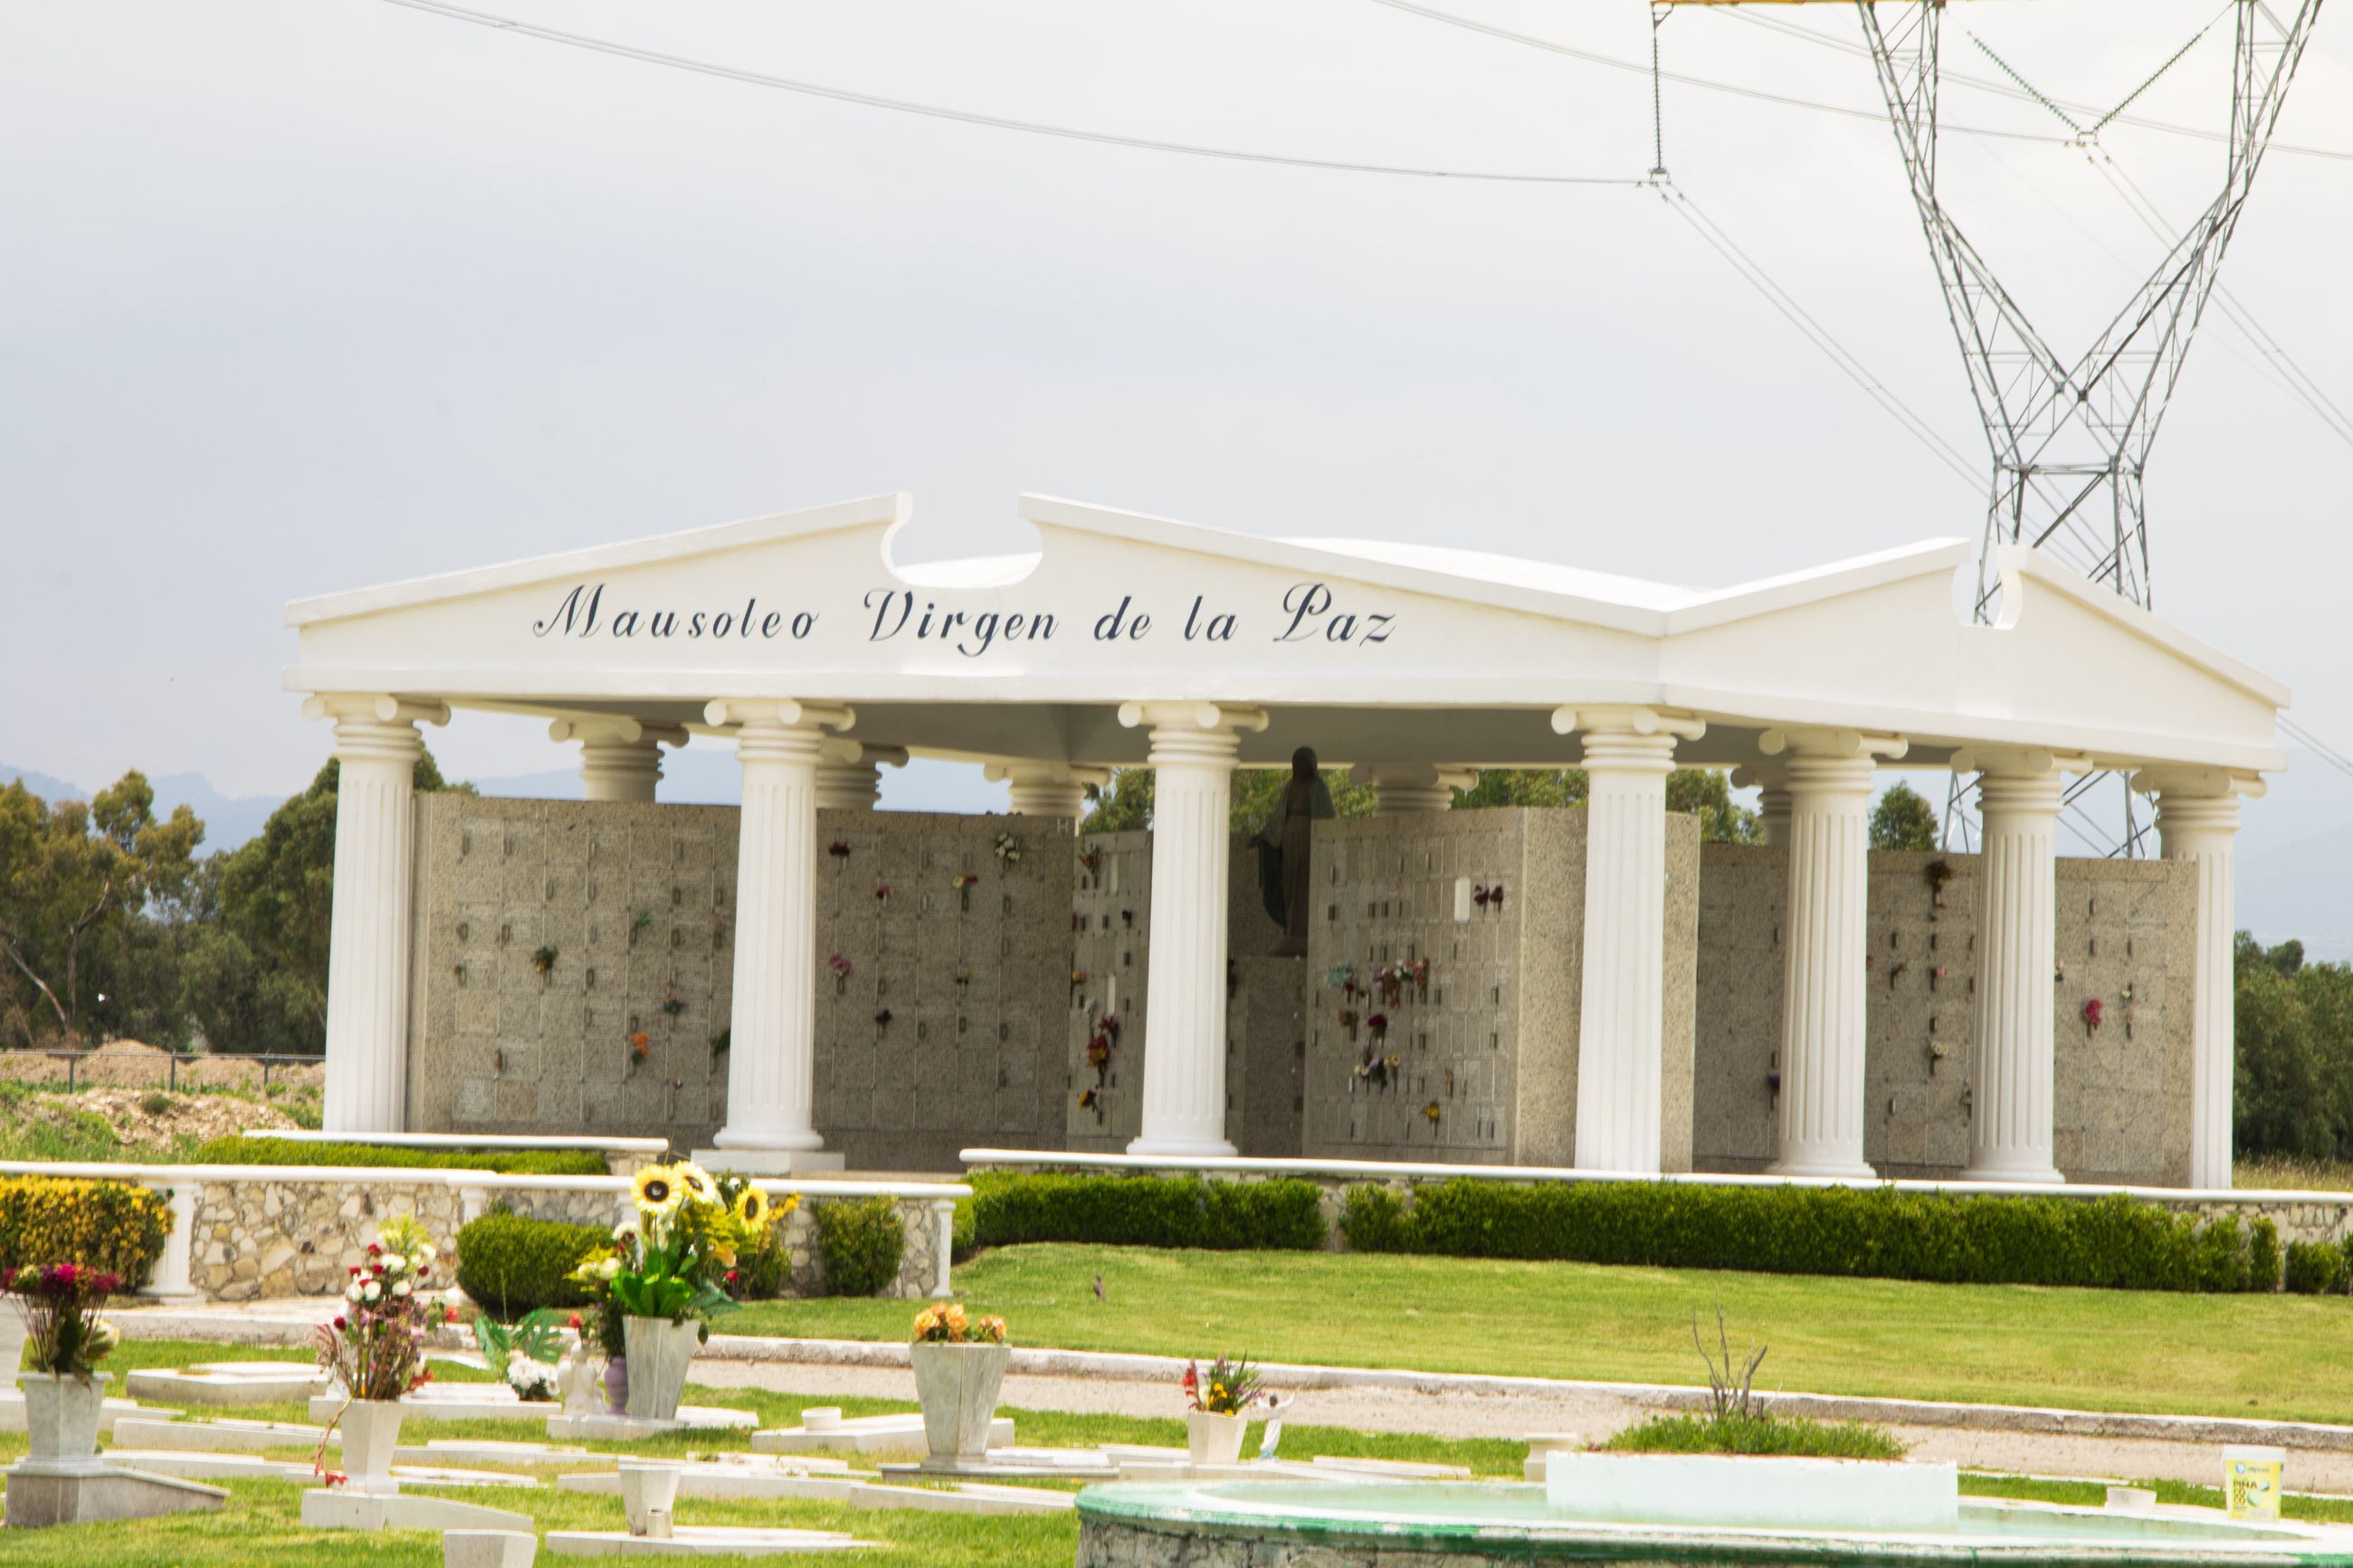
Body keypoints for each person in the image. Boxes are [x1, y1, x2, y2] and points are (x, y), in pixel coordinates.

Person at [1255, 746, 1335, 955]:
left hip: (1309, 835)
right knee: (1290, 882)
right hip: (1290, 836)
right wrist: (1264, 835)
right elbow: (1278, 816)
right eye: (1296, 763)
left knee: (1306, 882)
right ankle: (1291, 927)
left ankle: (1306, 928)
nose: (1299, 767)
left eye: (1302, 763)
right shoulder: (1289, 787)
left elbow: (1327, 816)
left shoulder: (1318, 788)